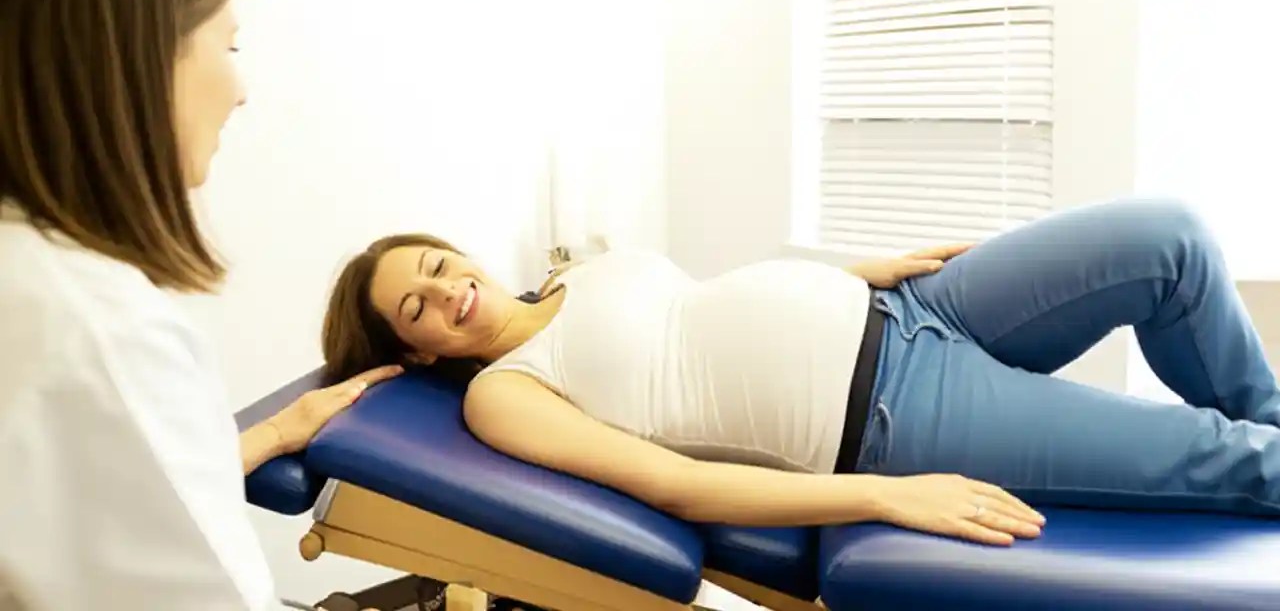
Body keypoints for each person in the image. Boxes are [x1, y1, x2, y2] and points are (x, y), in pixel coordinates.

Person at [322, 198, 1280, 548]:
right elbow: (678, 484)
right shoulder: (504, 394)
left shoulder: (576, 273)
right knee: (1224, 459)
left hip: (914, 309)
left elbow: (700, 309)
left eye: (440, 265)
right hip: (898, 417)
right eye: (418, 306)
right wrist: (879, 499)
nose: (448, 292)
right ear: (418, 354)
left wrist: (856, 271)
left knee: (1170, 242)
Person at [0, 0, 399, 609]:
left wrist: (275, 431)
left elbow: (94, 496)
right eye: (229, 45)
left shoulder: (34, 281)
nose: (240, 90)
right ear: (133, 58)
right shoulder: (96, 325)